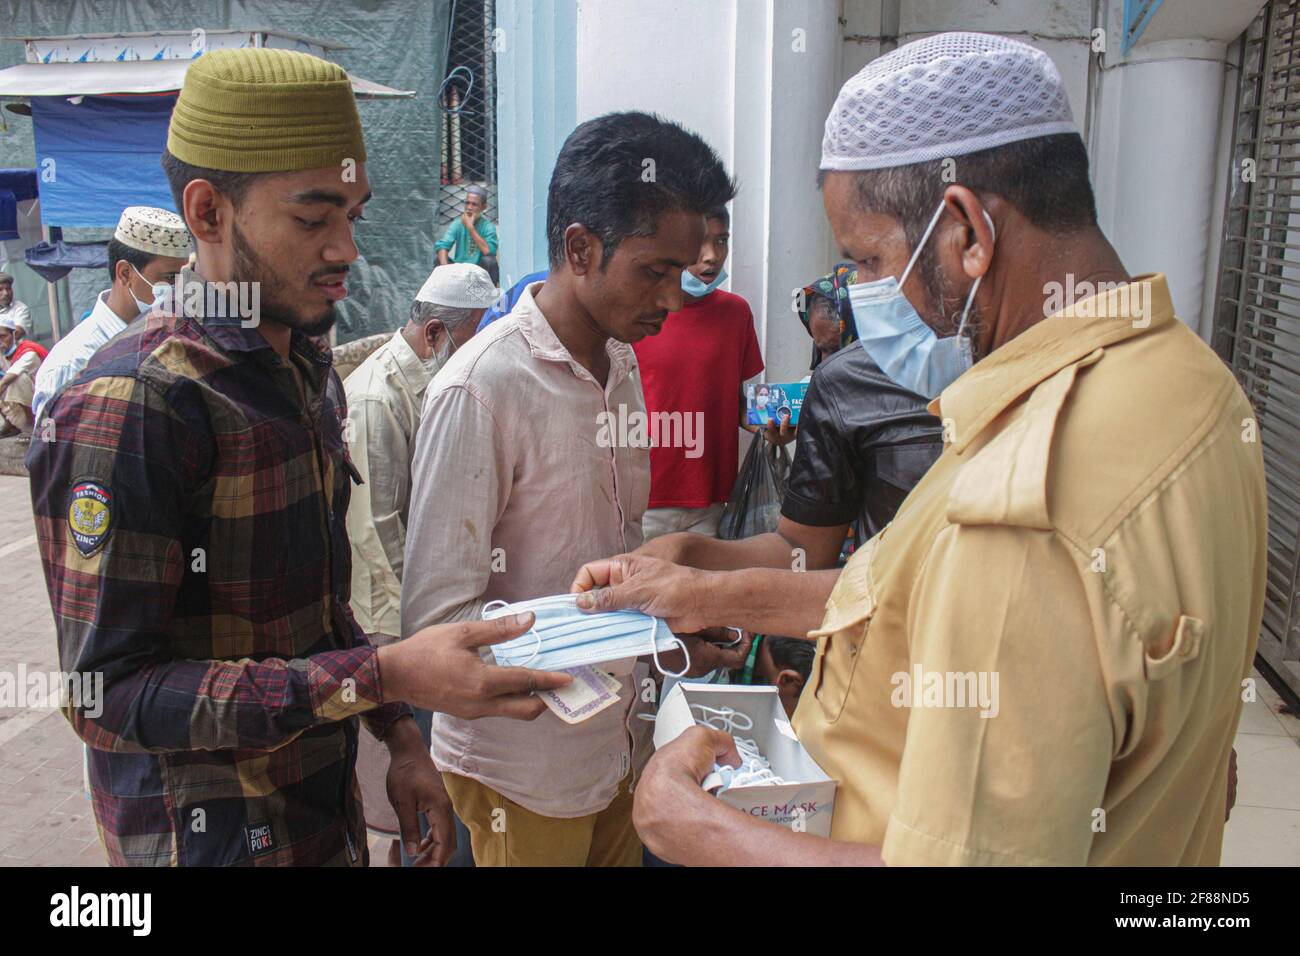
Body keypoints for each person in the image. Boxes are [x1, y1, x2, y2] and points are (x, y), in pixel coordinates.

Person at [574, 32, 1263, 866]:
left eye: (870, 259)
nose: (862, 295)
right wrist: (699, 588)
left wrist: (694, 825)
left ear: (967, 230)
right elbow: (894, 589)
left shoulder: (1024, 511)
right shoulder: (1193, 384)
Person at [28, 47, 569, 868]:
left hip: (320, 815)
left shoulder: (301, 364)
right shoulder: (132, 403)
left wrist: (398, 738)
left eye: (353, 212)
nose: (347, 248)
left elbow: (313, 613)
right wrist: (383, 678)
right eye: (314, 219)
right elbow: (109, 696)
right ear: (208, 213)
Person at [402, 111, 743, 867]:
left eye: (683, 272)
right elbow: (438, 625)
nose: (675, 297)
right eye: (655, 271)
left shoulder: (620, 363)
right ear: (580, 248)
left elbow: (604, 563)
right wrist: (621, 635)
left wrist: (664, 630)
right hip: (524, 775)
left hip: (619, 746)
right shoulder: (482, 389)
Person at [344, 261, 497, 866]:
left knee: (433, 762)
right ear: (435, 334)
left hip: (426, 607)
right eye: (472, 337)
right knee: (418, 762)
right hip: (396, 615)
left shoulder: (432, 380)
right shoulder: (378, 398)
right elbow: (378, 533)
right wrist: (424, 633)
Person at [633, 206, 763, 540]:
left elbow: (734, 402)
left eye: (721, 241)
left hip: (713, 499)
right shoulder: (636, 316)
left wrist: (772, 421)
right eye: (700, 242)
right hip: (644, 501)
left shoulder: (736, 314)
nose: (711, 257)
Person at [32, 207, 190, 421]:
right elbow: (53, 449)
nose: (179, 289)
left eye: (184, 278)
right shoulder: (73, 363)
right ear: (125, 273)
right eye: (171, 278)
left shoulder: (171, 339)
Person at [434, 184, 499, 282]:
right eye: (467, 203)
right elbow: (443, 245)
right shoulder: (457, 224)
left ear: (483, 207)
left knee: (490, 261)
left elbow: (488, 251)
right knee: (438, 259)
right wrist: (445, 270)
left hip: (479, 273)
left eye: (474, 204)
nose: (469, 207)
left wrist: (470, 228)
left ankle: (490, 295)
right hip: (459, 271)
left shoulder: (488, 226)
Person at [0, 313, 46, 437]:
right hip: (17, 408)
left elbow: (7, 379)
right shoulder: (2, 353)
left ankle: (32, 427)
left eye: (2, 336)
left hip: (42, 406)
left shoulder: (29, 352)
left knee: (18, 379)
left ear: (14, 335)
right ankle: (10, 425)